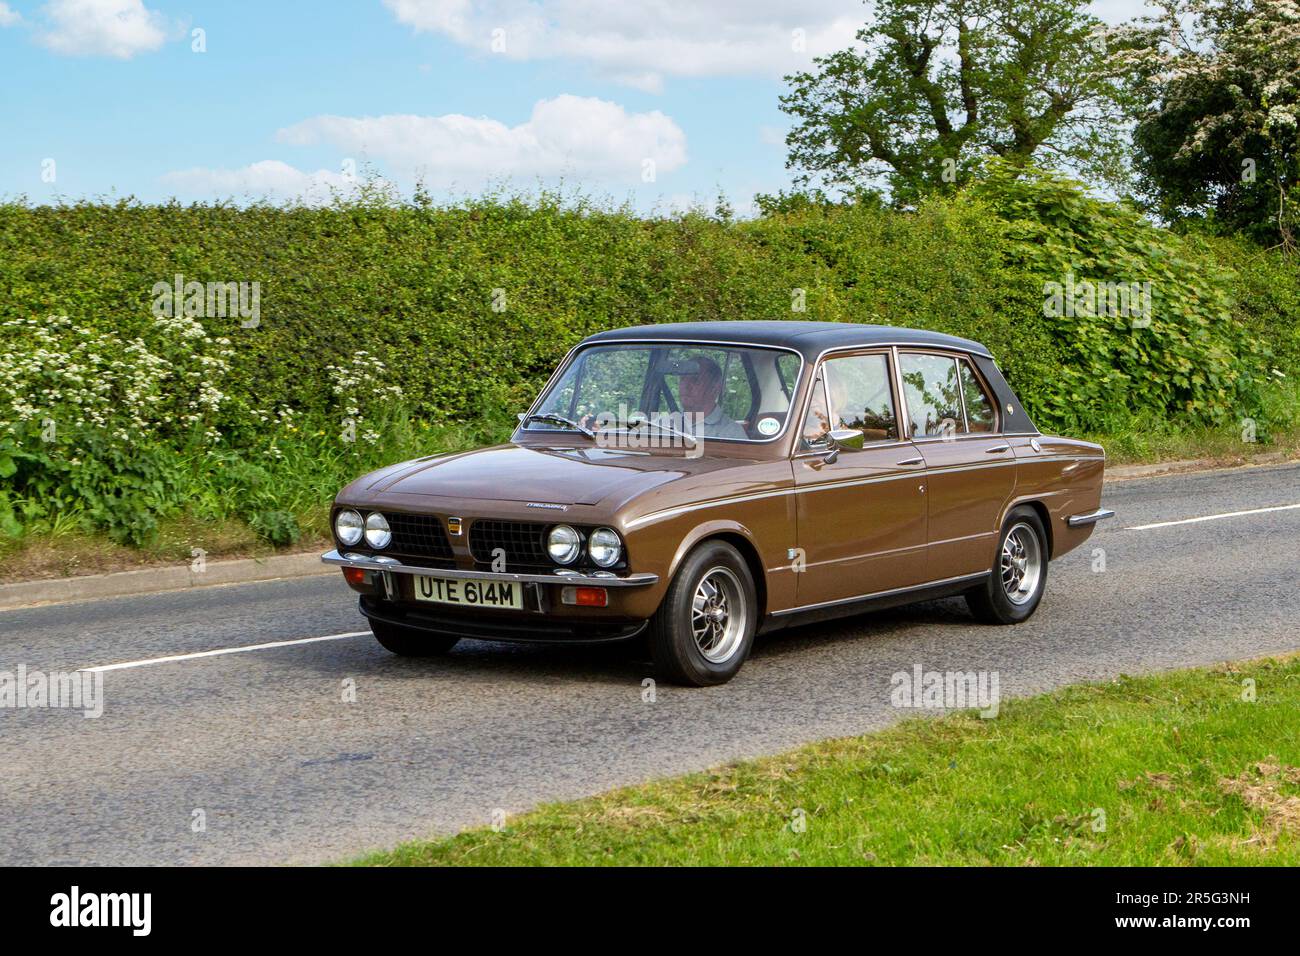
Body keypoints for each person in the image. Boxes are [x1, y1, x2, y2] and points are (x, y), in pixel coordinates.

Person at [677, 356, 748, 440]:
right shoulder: (664, 425)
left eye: (694, 380)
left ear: (715, 387)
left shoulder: (732, 434)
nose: (685, 386)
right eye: (682, 379)